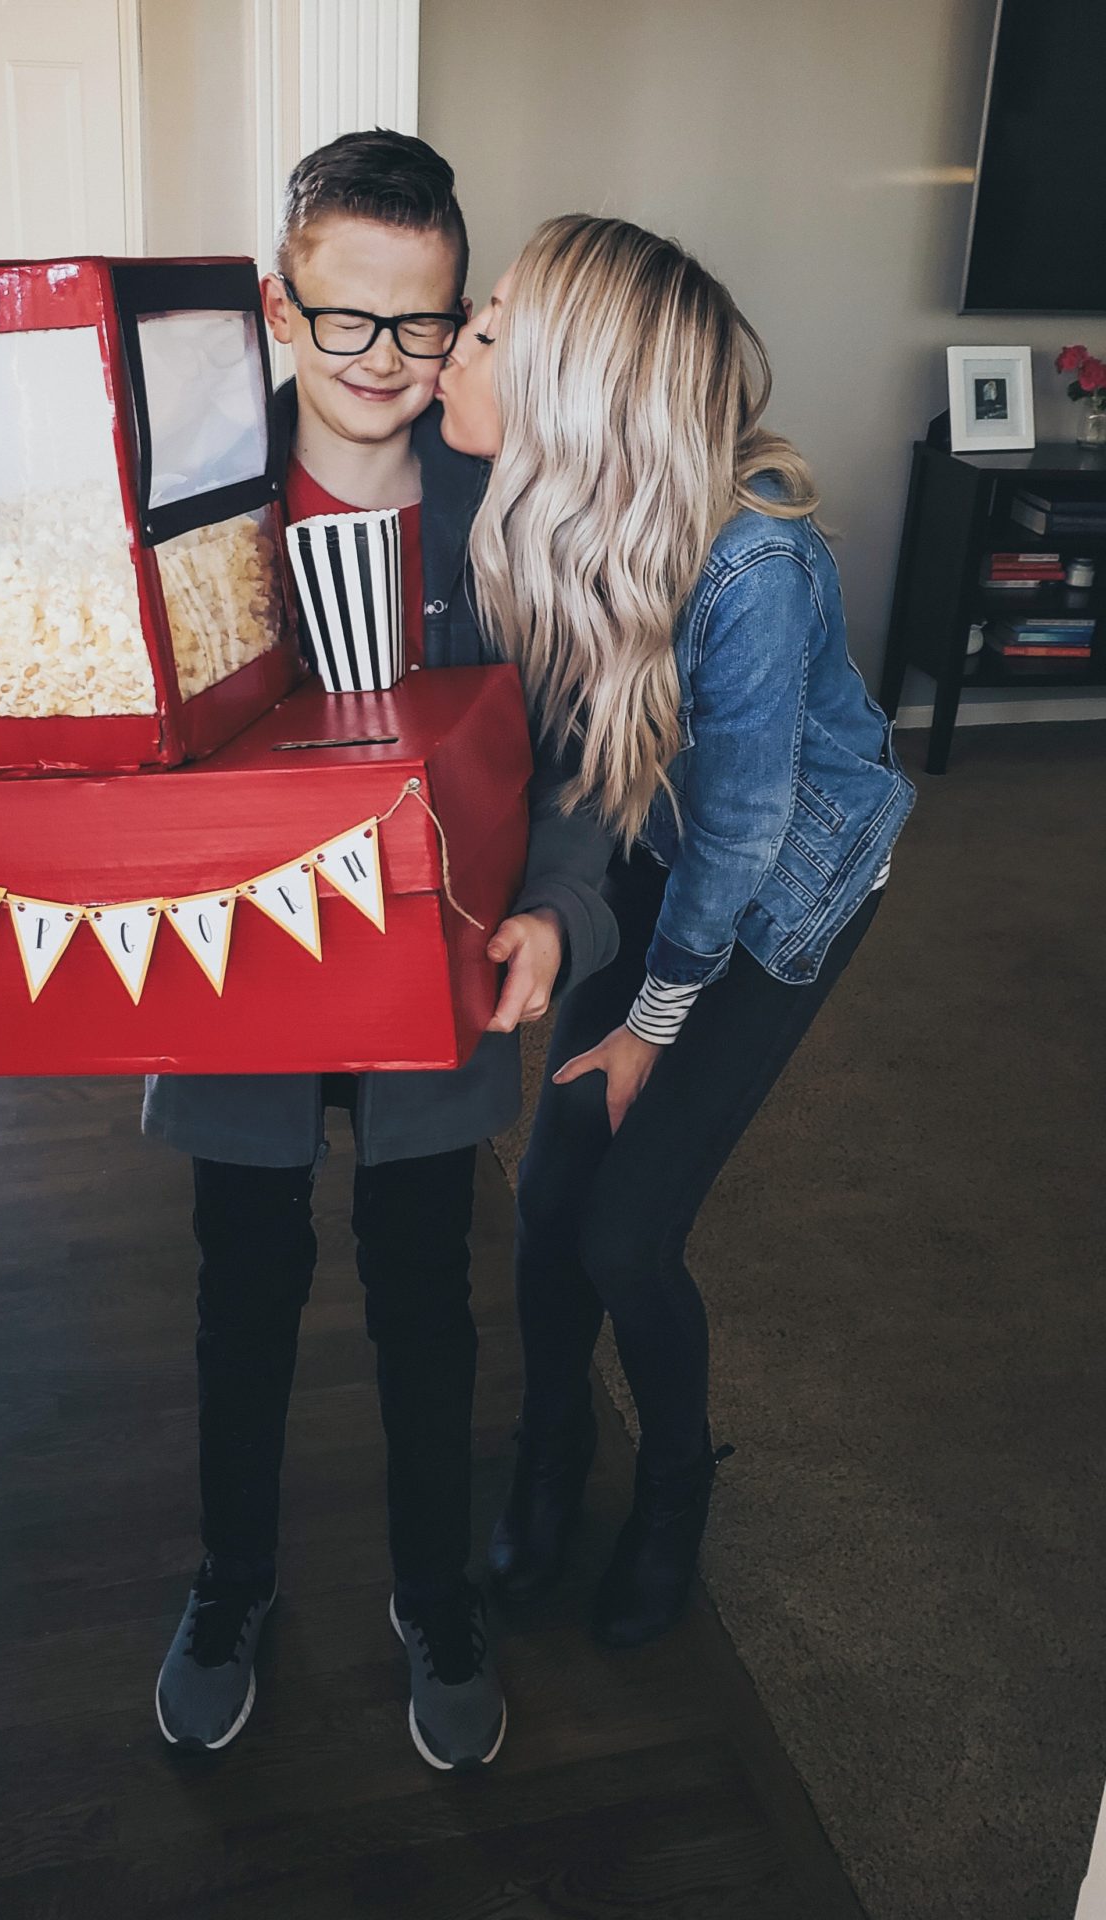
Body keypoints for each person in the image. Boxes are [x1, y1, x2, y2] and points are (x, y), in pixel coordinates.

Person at [146, 141, 617, 1767]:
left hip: (446, 986)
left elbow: (575, 760)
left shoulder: (504, 513)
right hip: (245, 988)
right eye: (345, 322)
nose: (383, 368)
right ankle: (232, 1579)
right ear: (279, 306)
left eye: (423, 331)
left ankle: (435, 1590)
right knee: (245, 1293)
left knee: (429, 1295)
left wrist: (562, 908)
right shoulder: (190, 502)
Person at [435, 214, 915, 1649]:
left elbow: (743, 836)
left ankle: (673, 1489)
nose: (455, 342)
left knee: (630, 1230)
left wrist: (650, 1026)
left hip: (779, 893)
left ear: (571, 384)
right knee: (550, 1209)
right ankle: (551, 1453)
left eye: (486, 329)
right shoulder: (547, 503)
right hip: (654, 846)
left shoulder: (752, 571)